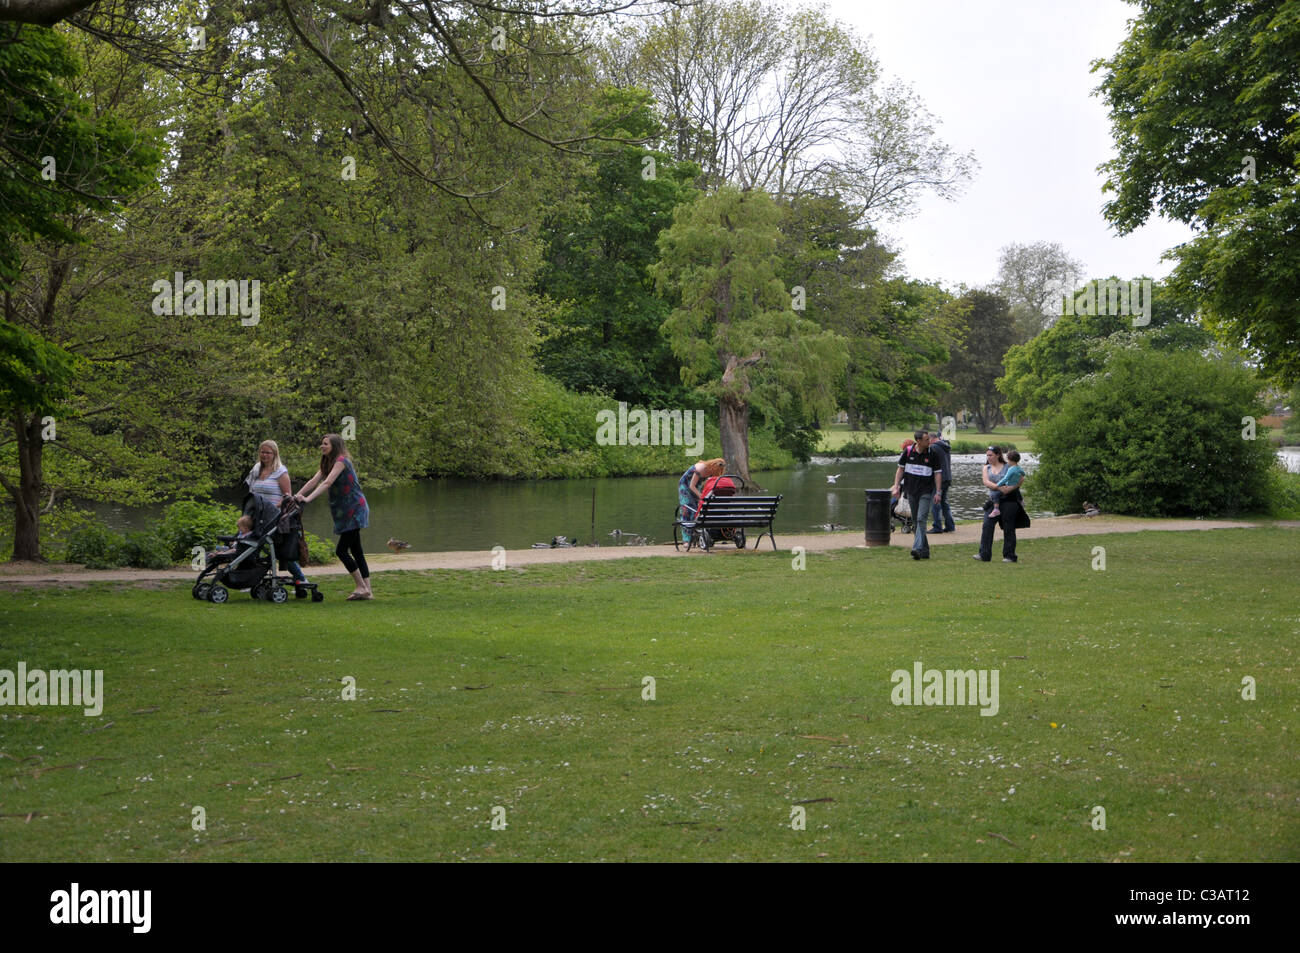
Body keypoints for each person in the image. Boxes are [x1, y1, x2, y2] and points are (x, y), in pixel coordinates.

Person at [296, 434, 372, 600]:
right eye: (321, 443)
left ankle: (361, 586)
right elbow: (314, 481)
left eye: (325, 444)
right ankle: (368, 591)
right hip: (344, 512)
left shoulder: (341, 461)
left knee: (341, 550)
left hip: (355, 509)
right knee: (356, 550)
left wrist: (308, 499)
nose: (322, 446)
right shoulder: (327, 462)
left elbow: (327, 483)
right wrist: (296, 496)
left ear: (335, 446)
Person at [246, 439, 312, 597]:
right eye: (262, 452)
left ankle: (301, 579)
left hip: (274, 517)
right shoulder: (256, 469)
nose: (264, 455)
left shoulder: (280, 471)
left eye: (268, 452)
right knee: (248, 545)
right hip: (256, 516)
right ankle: (249, 578)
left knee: (282, 551)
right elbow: (250, 491)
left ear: (275, 454)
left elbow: (288, 498)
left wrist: (275, 506)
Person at [891, 430, 943, 560]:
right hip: (910, 491)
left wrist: (938, 492)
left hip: (926, 492)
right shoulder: (908, 452)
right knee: (915, 520)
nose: (929, 442)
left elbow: (937, 473)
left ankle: (917, 548)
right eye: (926, 440)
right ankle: (925, 551)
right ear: (918, 441)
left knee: (921, 519)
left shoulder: (933, 454)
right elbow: (900, 469)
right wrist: (896, 486)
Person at [974, 446, 1029, 563]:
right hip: (994, 502)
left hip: (1009, 500)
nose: (988, 457)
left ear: (998, 455)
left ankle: (1009, 556)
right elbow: (986, 482)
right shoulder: (986, 467)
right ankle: (984, 554)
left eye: (991, 455)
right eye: (987, 455)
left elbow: (1022, 478)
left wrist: (1011, 488)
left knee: (1009, 527)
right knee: (987, 525)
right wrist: (998, 487)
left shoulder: (1009, 466)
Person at [678, 458, 725, 522]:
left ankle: (695, 527)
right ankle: (687, 527)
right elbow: (691, 486)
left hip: (696, 486)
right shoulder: (701, 468)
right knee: (689, 507)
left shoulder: (710, 472)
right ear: (713, 467)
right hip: (686, 485)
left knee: (697, 506)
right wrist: (702, 497)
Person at [929, 430, 955, 533]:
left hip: (939, 478)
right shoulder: (944, 446)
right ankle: (950, 525)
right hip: (947, 477)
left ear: (931, 439)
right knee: (944, 502)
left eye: (927, 440)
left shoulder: (934, 447)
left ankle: (937, 526)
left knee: (935, 502)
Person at [986, 450, 1025, 518]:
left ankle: (996, 509)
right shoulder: (1019, 468)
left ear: (1011, 460)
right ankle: (1021, 501)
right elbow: (1023, 474)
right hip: (1015, 487)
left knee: (995, 495)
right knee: (1017, 491)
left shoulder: (1011, 469)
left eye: (1008, 460)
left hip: (1008, 486)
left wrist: (998, 484)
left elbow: (1005, 479)